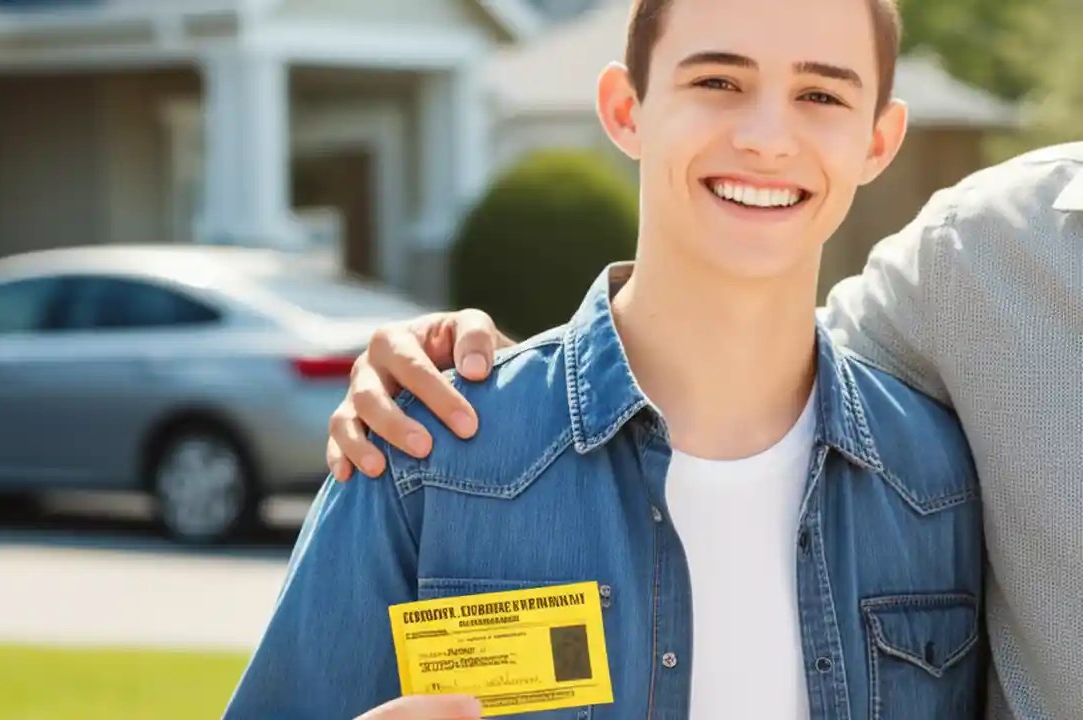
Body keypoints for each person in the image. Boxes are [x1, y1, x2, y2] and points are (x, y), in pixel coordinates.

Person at [227, 0, 986, 716]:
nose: (766, 137)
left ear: (878, 142)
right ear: (628, 110)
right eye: (718, 81)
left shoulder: (940, 483)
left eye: (820, 96)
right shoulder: (424, 454)